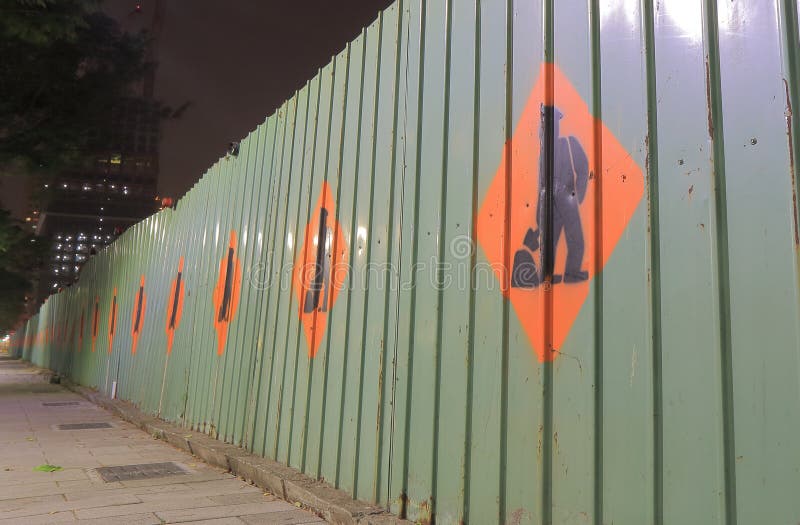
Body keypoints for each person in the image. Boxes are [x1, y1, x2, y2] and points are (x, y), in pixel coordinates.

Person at [511, 105, 590, 288]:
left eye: (552, 123)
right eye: (546, 124)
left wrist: (578, 195)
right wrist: (540, 210)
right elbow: (541, 184)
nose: (548, 129)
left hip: (566, 197)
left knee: (576, 238)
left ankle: (571, 272)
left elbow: (583, 167)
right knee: (549, 241)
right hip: (548, 200)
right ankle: (546, 275)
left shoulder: (569, 143)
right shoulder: (542, 153)